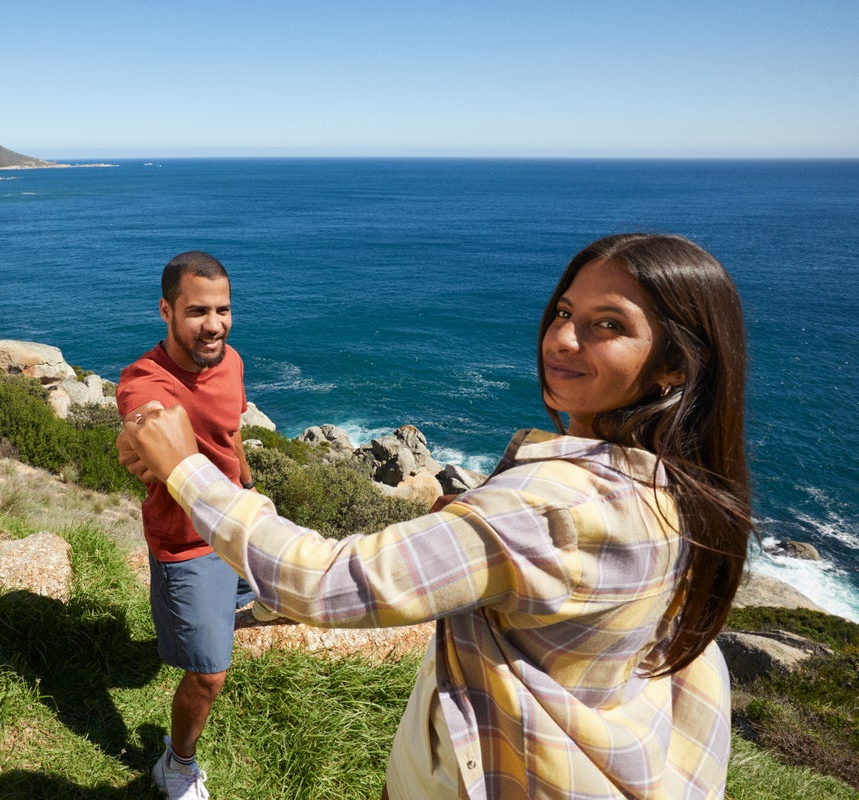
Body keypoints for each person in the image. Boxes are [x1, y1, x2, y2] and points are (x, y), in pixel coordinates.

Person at [117, 233, 753, 799]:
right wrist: (482, 531)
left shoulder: (551, 507)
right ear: (167, 311)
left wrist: (186, 470)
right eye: (564, 312)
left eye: (608, 324)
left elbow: (325, 582)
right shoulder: (683, 488)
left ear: (675, 366)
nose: (561, 338)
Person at [116, 250, 261, 800]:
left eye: (223, 309)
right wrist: (137, 438)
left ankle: (238, 607)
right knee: (209, 675)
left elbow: (231, 433)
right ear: (166, 311)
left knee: (279, 591)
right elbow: (142, 414)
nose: (214, 324)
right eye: (198, 311)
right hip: (188, 543)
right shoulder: (146, 378)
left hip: (238, 516)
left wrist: (247, 486)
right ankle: (176, 765)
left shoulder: (231, 361)